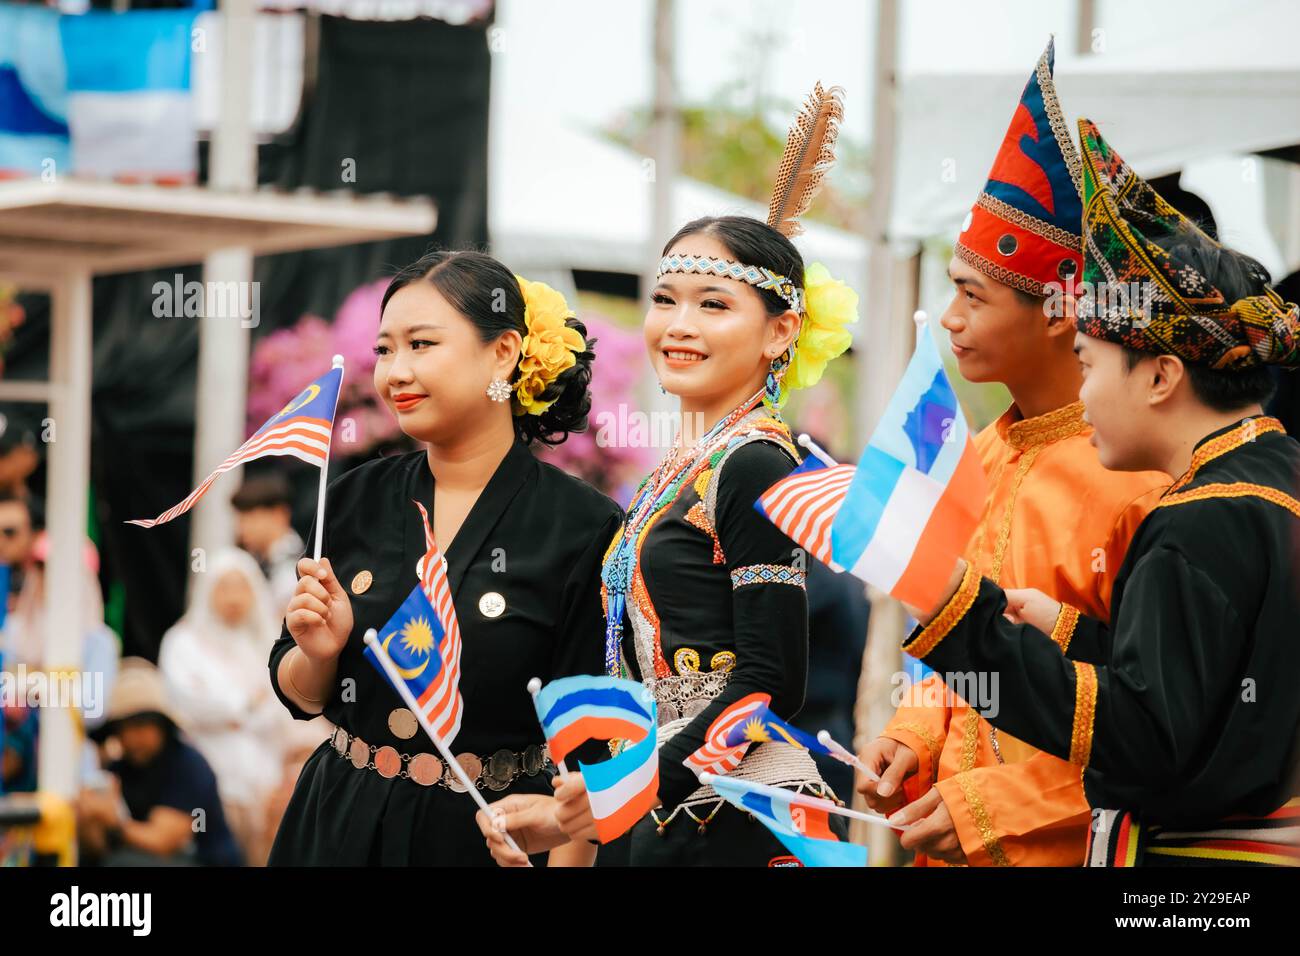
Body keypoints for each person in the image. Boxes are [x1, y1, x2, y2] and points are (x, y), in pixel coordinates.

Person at [479, 84, 862, 867]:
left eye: (713, 305)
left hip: (729, 812)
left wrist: (632, 784)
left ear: (781, 331)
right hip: (669, 805)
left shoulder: (754, 464)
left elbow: (769, 679)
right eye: (664, 300)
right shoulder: (685, 465)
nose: (678, 325)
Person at [902, 119, 1300, 867]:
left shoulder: (1196, 521)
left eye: (1090, 364)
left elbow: (1144, 738)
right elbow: (1199, 687)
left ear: (1159, 376)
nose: (1083, 399)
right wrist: (1065, 632)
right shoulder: (1272, 484)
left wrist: (968, 621)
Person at [855, 40, 1169, 867]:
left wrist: (996, 807)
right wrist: (914, 733)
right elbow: (956, 634)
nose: (950, 319)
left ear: (1061, 312)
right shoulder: (979, 453)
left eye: (972, 294)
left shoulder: (1139, 480)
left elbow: (1169, 716)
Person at [266, 250, 622, 866]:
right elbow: (302, 695)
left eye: (421, 345)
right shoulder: (350, 499)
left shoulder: (582, 527)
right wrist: (317, 654)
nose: (395, 372)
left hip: (490, 839)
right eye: (383, 350)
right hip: (339, 822)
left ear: (503, 352)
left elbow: (587, 753)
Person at [159, 547, 290, 862]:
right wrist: (245, 705)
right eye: (224, 587)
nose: (233, 597)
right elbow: (190, 704)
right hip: (210, 781)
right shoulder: (183, 642)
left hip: (265, 782)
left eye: (241, 586)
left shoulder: (267, 642)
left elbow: (281, 704)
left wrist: (234, 712)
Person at [79, 658, 242, 866]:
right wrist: (89, 818)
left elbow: (162, 841)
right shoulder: (118, 769)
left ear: (162, 726)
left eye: (140, 725)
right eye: (122, 728)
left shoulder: (188, 766)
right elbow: (96, 849)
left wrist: (114, 822)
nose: (131, 738)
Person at [231, 472, 304, 618]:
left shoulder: (298, 567)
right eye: (240, 520)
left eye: (250, 518)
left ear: (279, 514)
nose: (242, 529)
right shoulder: (256, 560)